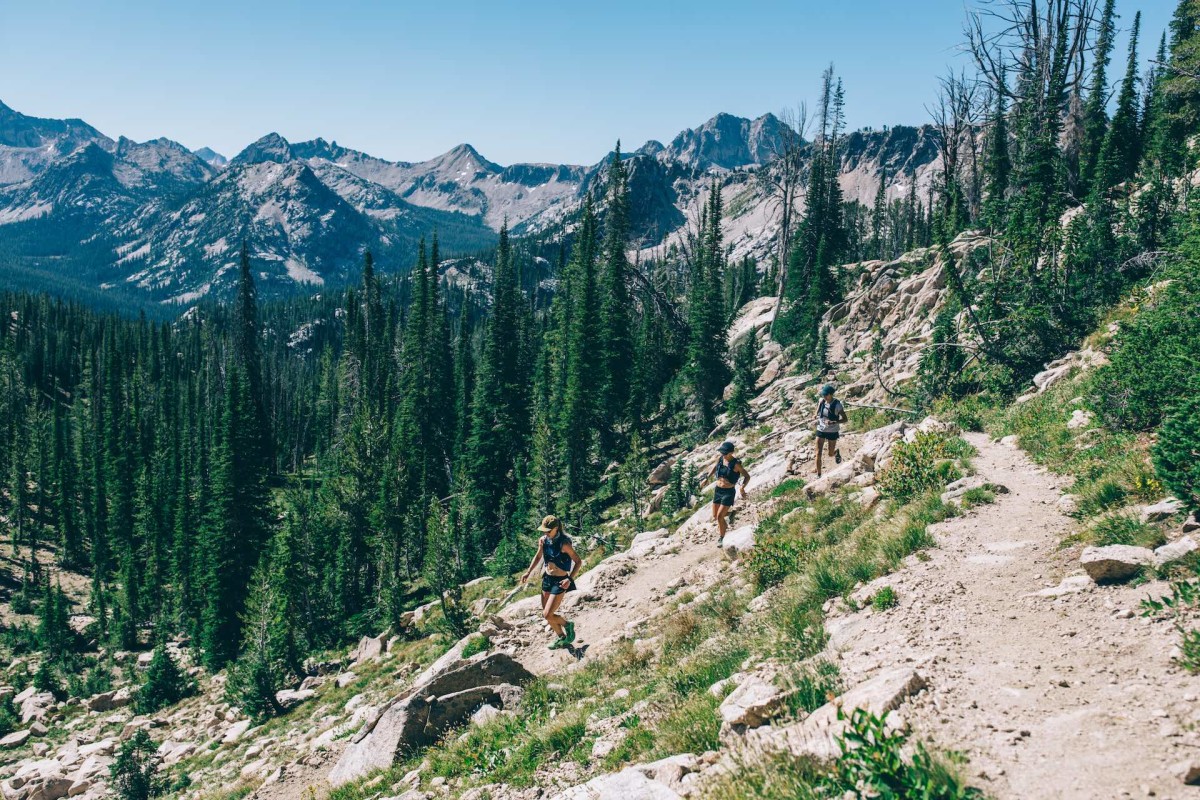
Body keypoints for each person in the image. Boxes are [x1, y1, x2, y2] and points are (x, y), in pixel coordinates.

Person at [520, 514, 581, 650]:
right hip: (547, 578)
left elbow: (578, 561)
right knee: (547, 615)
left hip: (560, 581)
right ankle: (561, 638)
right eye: (544, 531)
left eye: (548, 530)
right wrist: (528, 572)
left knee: (547, 614)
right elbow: (538, 556)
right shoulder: (543, 540)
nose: (545, 533)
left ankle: (567, 625)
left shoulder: (564, 544)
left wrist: (569, 579)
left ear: (556, 528)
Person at [707, 441, 751, 544]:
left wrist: (742, 488)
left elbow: (747, 476)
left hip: (728, 492)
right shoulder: (721, 459)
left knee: (719, 517)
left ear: (731, 453)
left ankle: (722, 538)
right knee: (715, 516)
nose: (723, 454)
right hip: (718, 490)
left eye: (725, 453)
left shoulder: (736, 464)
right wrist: (707, 478)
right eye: (722, 452)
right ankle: (731, 513)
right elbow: (714, 467)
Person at [814, 384, 847, 477]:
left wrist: (834, 422)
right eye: (823, 394)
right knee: (818, 453)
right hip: (821, 429)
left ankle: (836, 452)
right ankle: (819, 474)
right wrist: (815, 414)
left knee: (830, 454)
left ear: (830, 394)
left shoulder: (837, 405)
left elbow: (845, 419)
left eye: (826, 395)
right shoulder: (822, 401)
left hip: (832, 431)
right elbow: (818, 409)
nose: (824, 396)